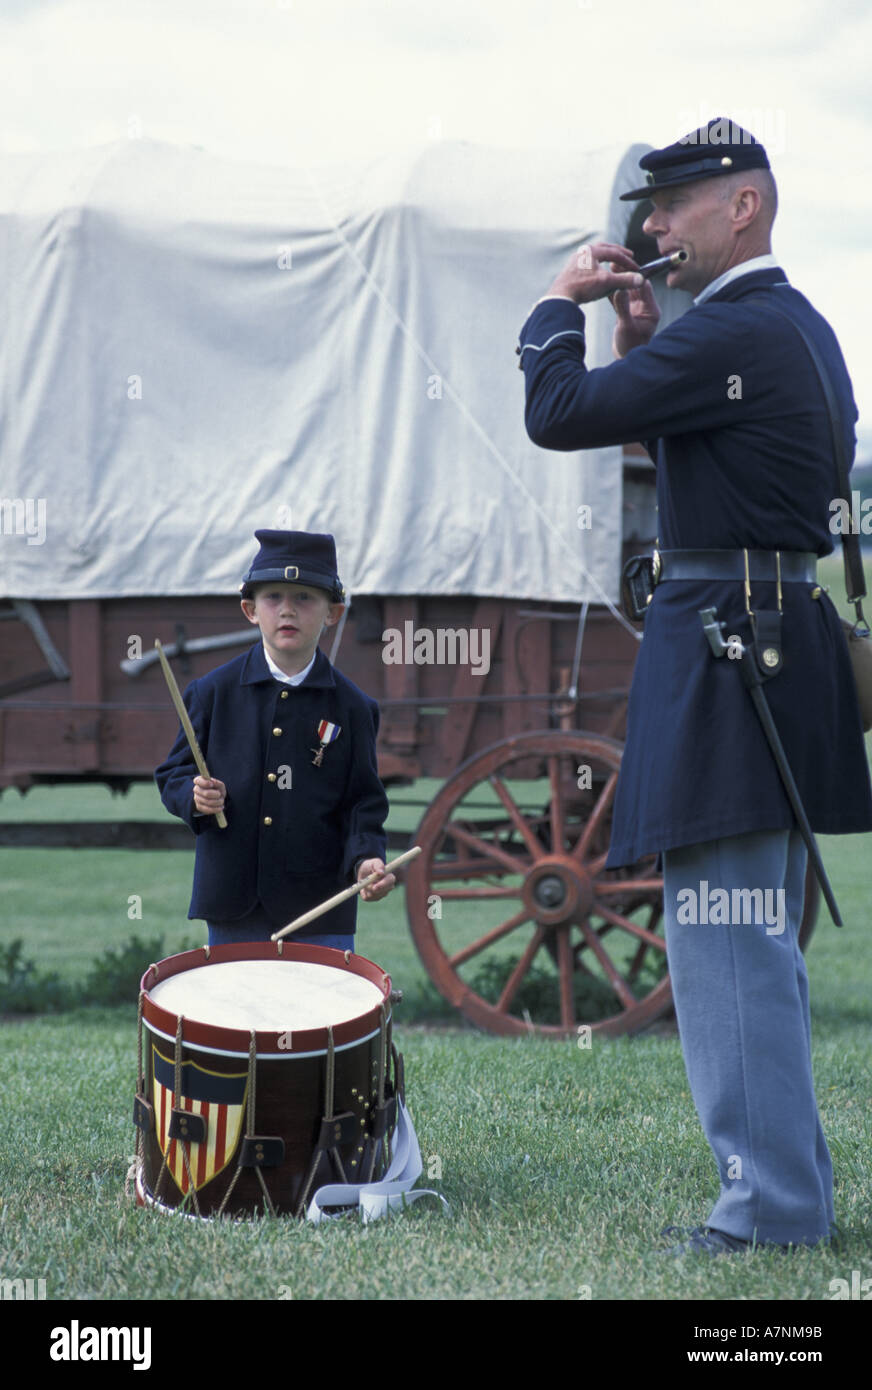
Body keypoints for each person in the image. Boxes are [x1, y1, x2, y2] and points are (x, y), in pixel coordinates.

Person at [517, 119, 872, 1255]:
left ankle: (768, 1214)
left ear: (743, 209)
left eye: (671, 207)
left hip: (726, 655)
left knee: (722, 943)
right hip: (771, 644)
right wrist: (642, 338)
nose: (650, 228)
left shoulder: (737, 328)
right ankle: (788, 1196)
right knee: (748, 940)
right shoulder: (792, 327)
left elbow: (557, 413)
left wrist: (552, 310)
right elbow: (707, 444)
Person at [155, 529, 395, 950]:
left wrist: (366, 859)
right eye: (273, 598)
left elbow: (363, 802)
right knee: (238, 1014)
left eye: (304, 598)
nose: (288, 611)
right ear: (250, 609)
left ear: (332, 613)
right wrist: (193, 797)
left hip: (321, 907)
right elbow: (174, 774)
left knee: (323, 1017)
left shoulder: (354, 708)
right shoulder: (210, 693)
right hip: (234, 903)